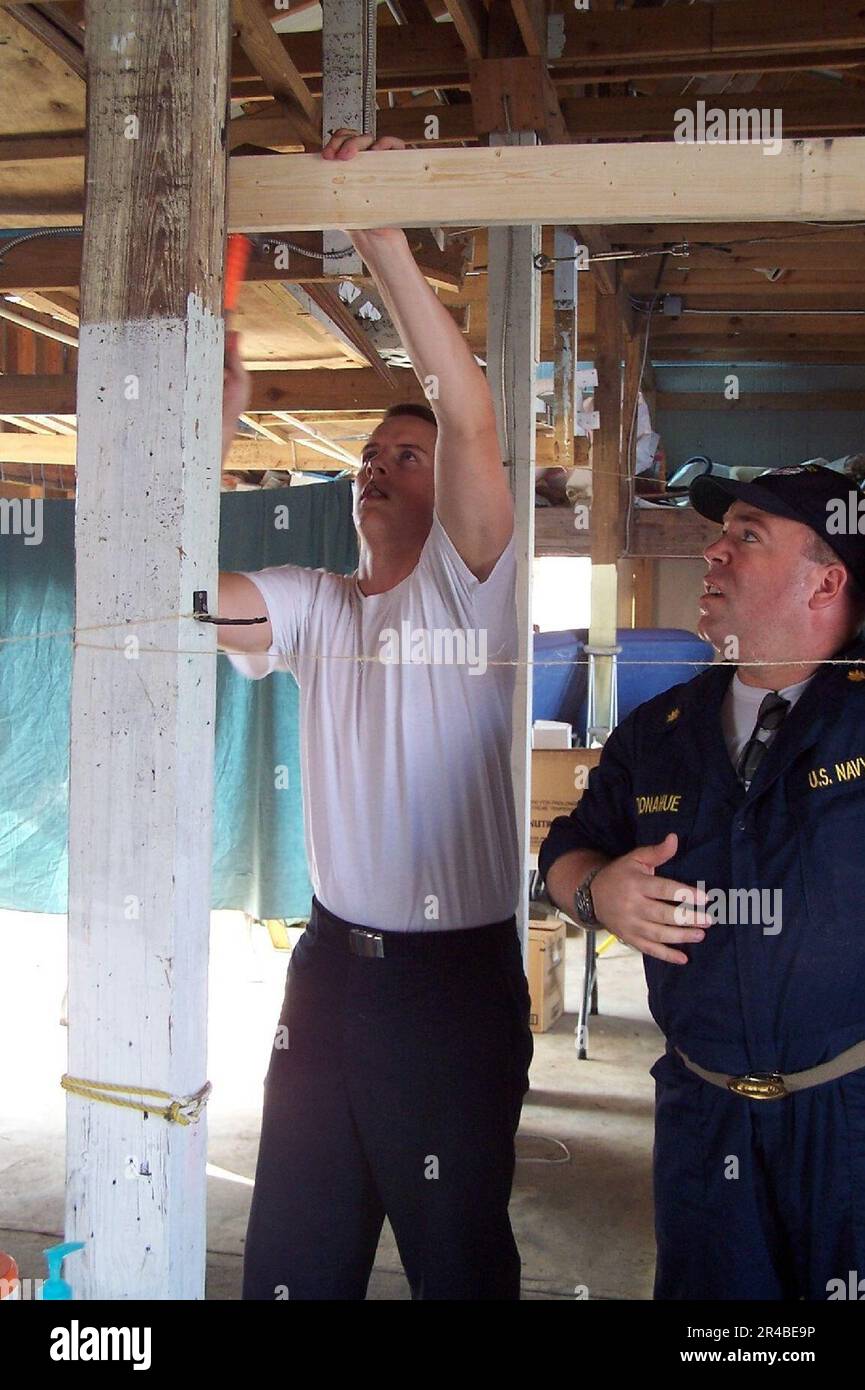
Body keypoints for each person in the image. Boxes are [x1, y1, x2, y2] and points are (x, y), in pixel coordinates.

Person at [217, 130, 532, 1301]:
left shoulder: (472, 582)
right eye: (367, 453)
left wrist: (375, 229)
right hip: (327, 971)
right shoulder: (315, 607)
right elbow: (183, 609)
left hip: (450, 984)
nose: (380, 466)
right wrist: (211, 431)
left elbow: (473, 419)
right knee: (294, 1257)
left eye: (408, 452)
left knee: (455, 1265)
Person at [540, 462, 865, 1300]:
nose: (712, 553)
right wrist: (593, 894)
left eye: (745, 538)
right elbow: (568, 852)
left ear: (826, 580)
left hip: (848, 1119)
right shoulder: (660, 730)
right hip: (702, 1111)